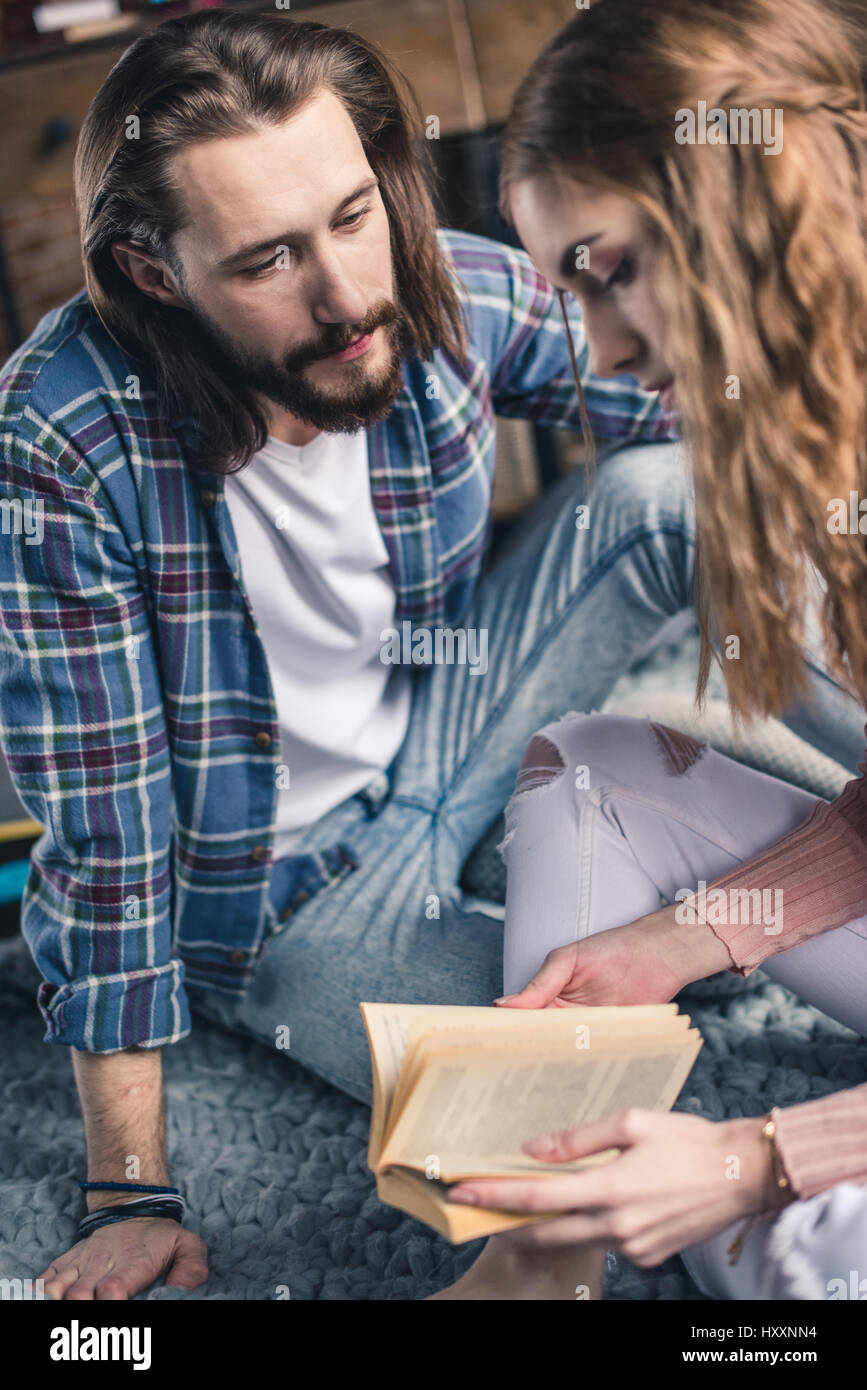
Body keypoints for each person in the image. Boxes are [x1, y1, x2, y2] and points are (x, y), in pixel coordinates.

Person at [0, 9, 688, 1300]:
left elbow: (715, 408)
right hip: (285, 900)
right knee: (582, 1076)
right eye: (268, 259)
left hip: (455, 732)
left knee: (677, 493)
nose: (345, 292)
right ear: (158, 273)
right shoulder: (61, 437)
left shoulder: (429, 283)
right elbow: (109, 830)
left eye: (353, 215)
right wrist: (130, 1187)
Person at [431, 0, 867, 1301]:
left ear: (748, 199)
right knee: (599, 768)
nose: (604, 349)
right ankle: (544, 1256)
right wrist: (679, 936)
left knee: (792, 1247)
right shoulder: (794, 461)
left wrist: (761, 1155)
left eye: (609, 270)